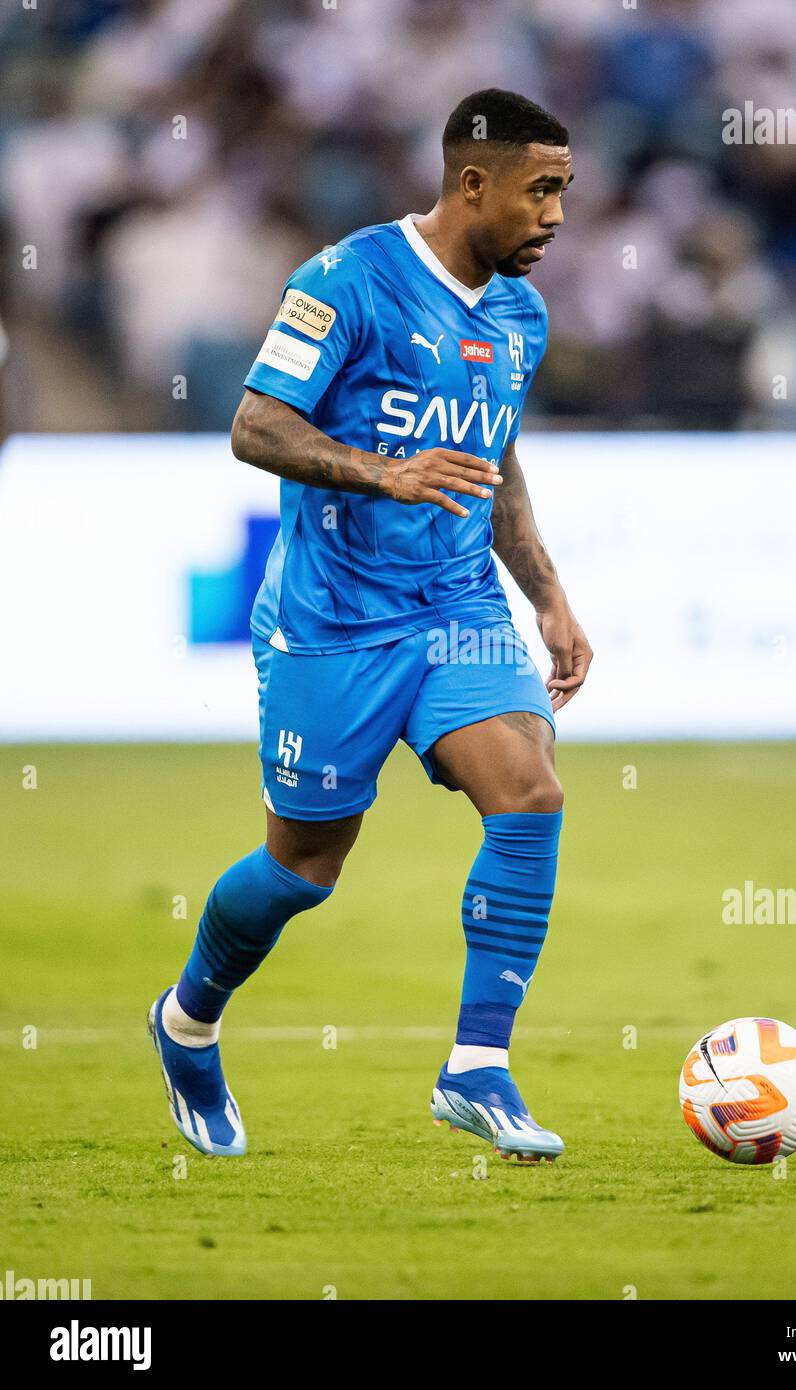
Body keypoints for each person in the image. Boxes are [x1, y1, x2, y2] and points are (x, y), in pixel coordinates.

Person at [149, 88, 592, 1164]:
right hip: (334, 624)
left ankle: (475, 1066)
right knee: (302, 868)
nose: (556, 217)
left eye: (566, 194)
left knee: (530, 791)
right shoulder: (347, 282)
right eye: (541, 191)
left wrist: (547, 595)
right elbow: (256, 423)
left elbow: (495, 464)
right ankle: (188, 1020)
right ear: (471, 183)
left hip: (455, 609)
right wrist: (382, 470)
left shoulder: (521, 317)